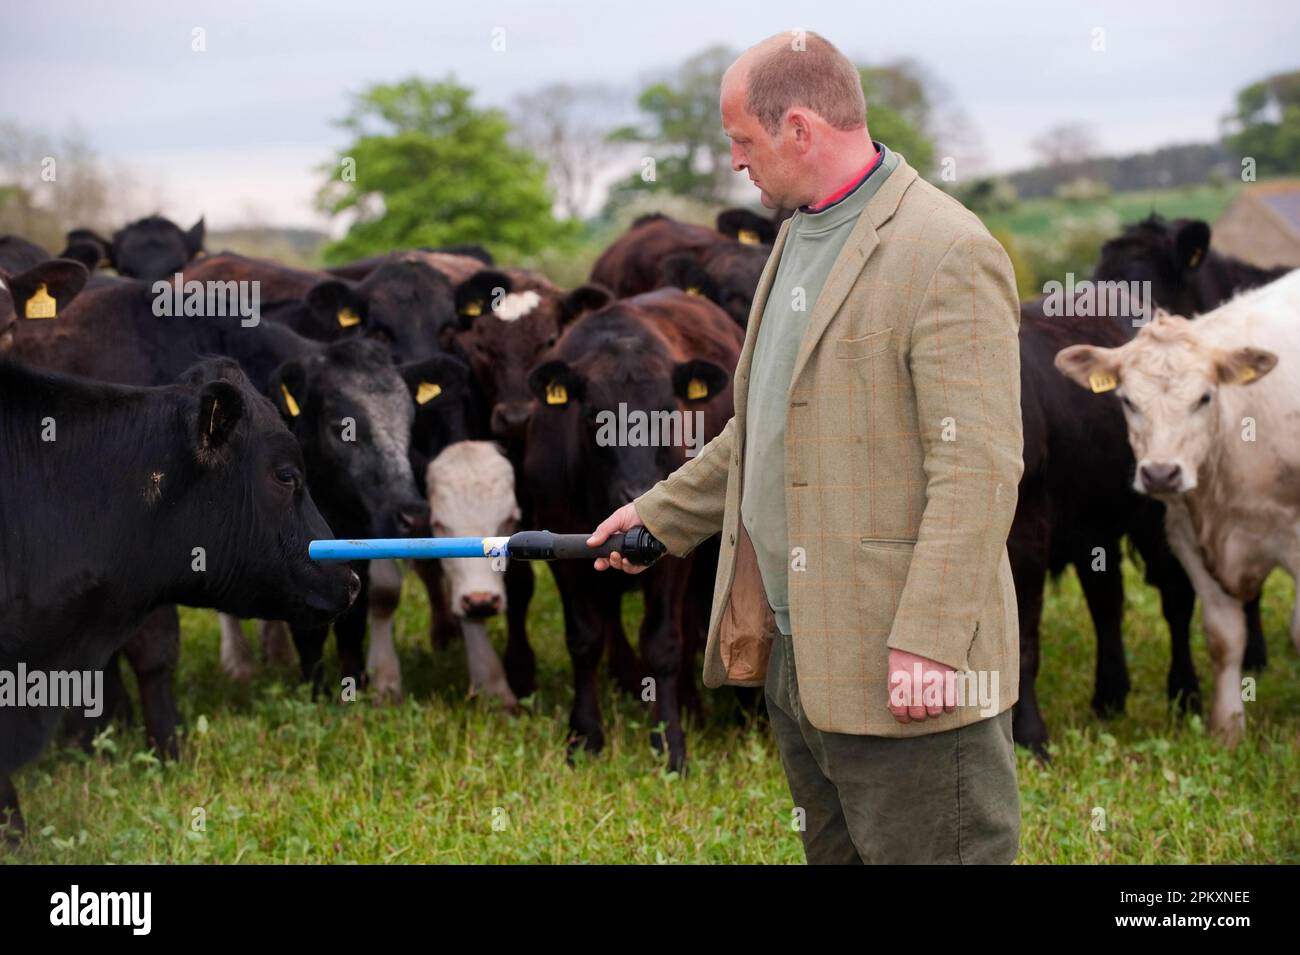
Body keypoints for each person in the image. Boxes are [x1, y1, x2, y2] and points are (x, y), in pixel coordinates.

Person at [589, 30, 1024, 864]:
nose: (735, 165)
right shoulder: (797, 235)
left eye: (742, 141)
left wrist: (930, 638)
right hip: (803, 656)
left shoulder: (947, 250)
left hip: (908, 664)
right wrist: (657, 516)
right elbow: (762, 429)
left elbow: (979, 468)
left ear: (799, 128)